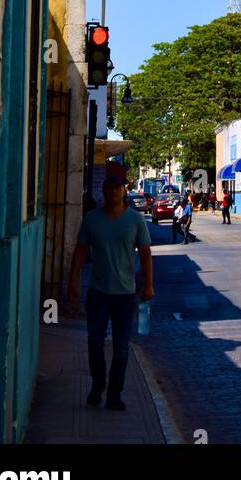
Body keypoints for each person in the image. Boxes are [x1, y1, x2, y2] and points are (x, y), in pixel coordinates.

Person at [67, 174, 153, 412]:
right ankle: (97, 385)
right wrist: (73, 282)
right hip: (98, 293)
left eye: (117, 188)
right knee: (94, 341)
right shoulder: (92, 220)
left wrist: (148, 285)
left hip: (125, 294)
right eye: (109, 188)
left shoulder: (135, 220)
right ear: (103, 193)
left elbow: (145, 253)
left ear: (124, 191)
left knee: (121, 346)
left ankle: (114, 393)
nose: (113, 192)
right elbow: (80, 252)